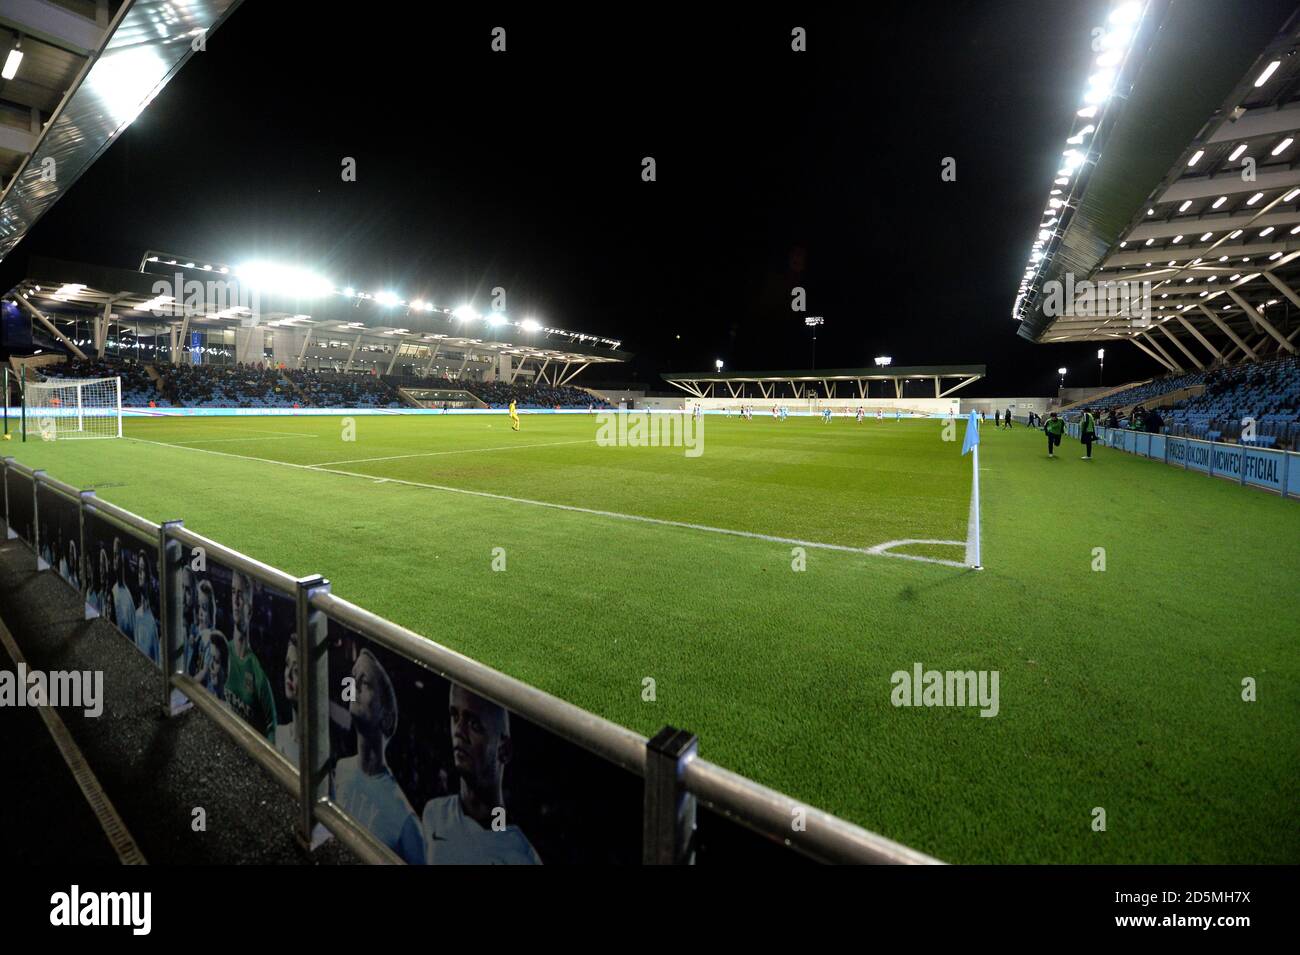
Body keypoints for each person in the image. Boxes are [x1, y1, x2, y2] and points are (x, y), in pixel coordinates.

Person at [421, 683, 541, 865]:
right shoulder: (434, 814)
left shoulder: (520, 855)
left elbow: (497, 832)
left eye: (474, 724)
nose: (458, 732)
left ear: (504, 751)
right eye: (454, 716)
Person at [334, 649, 424, 864]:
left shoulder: (405, 820)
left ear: (386, 716)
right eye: (352, 677)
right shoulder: (340, 769)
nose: (353, 686)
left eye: (363, 682)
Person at [223, 571, 277, 741]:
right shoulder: (223, 650)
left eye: (241, 595)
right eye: (233, 593)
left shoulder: (257, 672)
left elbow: (272, 729)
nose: (236, 601)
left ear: (250, 610)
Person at [133, 549, 160, 665]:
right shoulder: (137, 613)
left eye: (142, 570)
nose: (139, 574)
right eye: (138, 570)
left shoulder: (155, 618)